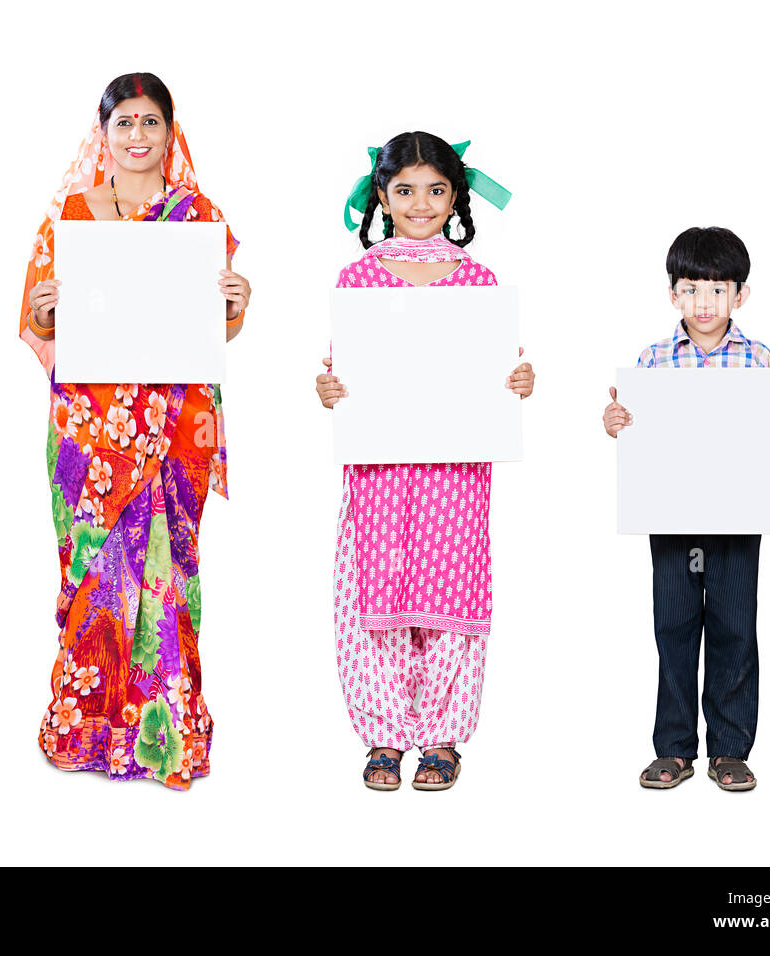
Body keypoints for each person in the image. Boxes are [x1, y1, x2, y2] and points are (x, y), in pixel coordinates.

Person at [19, 72, 250, 790]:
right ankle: (87, 730)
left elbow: (219, 329)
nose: (138, 136)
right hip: (90, 431)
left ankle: (164, 737)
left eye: (151, 122)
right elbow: (36, 324)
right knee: (93, 579)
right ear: (104, 132)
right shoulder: (71, 217)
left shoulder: (198, 216)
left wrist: (238, 304)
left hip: (176, 427)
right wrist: (49, 307)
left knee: (170, 580)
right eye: (125, 123)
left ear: (170, 131)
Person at [317, 131, 533, 791]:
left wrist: (520, 380)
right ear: (382, 196)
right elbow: (340, 372)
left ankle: (440, 738)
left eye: (435, 190)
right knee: (377, 593)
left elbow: (499, 369)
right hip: (380, 474)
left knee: (447, 594)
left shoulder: (478, 282)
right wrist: (326, 388)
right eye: (405, 190)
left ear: (455, 196)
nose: (420, 203)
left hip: (453, 474)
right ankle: (385, 737)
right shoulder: (357, 280)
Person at [602, 226, 770, 792]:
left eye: (718, 290)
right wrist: (616, 422)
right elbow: (634, 428)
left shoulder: (761, 359)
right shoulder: (652, 358)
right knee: (673, 627)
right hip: (670, 515)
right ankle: (673, 747)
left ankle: (730, 750)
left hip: (740, 516)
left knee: (734, 628)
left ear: (740, 295)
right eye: (691, 288)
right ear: (673, 294)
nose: (704, 302)